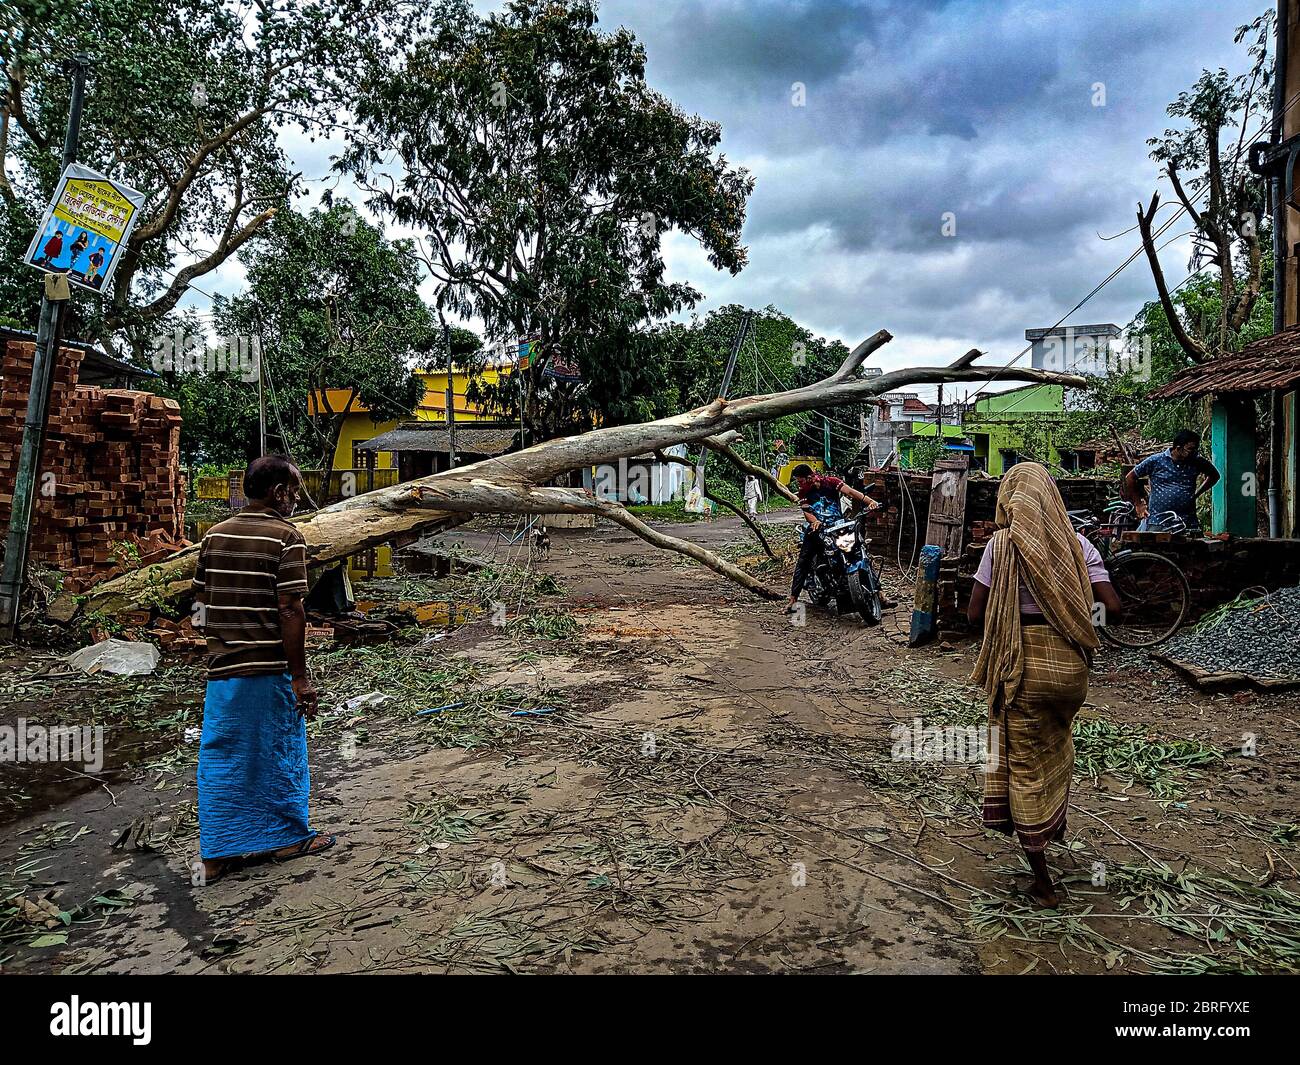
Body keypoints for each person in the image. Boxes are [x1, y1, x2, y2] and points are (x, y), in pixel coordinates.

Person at [967, 462, 1122, 908]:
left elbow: (976, 614)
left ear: (1010, 500)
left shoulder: (1000, 547)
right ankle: (1052, 827)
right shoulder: (1080, 546)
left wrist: (1009, 621)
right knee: (1056, 747)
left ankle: (1042, 880)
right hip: (1071, 672)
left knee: (1026, 766)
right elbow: (1111, 607)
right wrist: (1069, 614)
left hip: (1023, 671)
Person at [191, 455, 335, 884]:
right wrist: (300, 676)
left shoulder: (214, 535)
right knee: (278, 752)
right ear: (277, 493)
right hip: (267, 668)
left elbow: (200, 599)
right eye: (293, 492)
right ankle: (288, 838)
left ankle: (217, 854)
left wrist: (219, 643)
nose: (295, 501)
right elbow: (291, 609)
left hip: (223, 670)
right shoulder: (286, 538)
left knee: (222, 756)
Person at [785, 463, 882, 613]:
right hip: (817, 530)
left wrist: (870, 502)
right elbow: (806, 511)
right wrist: (814, 521)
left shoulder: (831, 482)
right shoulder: (803, 492)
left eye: (800, 480)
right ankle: (793, 600)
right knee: (803, 561)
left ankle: (881, 595)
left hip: (838, 526)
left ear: (809, 477)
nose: (799, 483)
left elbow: (850, 492)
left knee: (860, 552)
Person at [1124, 429, 1219, 533]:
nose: (1194, 452)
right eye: (1190, 449)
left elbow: (1214, 476)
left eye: (1196, 449)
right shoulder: (1156, 461)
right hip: (1158, 522)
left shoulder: (1197, 462)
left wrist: (1197, 494)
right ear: (1178, 448)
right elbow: (1130, 477)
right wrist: (1138, 504)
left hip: (1187, 522)